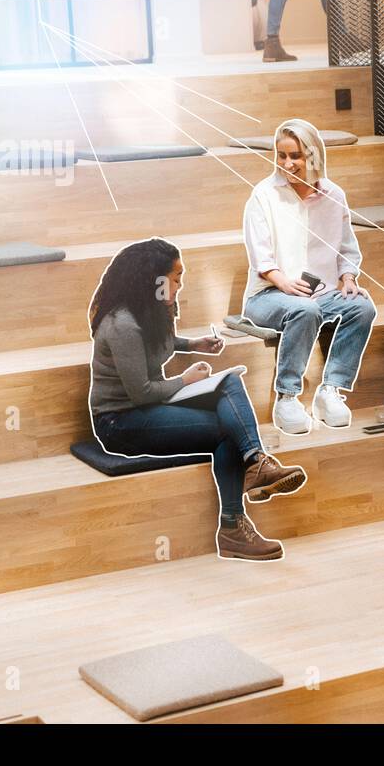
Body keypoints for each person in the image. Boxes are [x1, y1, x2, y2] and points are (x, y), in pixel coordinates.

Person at [88, 237, 307, 562]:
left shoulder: (147, 310)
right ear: (154, 280)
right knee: (226, 430)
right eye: (176, 278)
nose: (180, 285)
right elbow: (142, 392)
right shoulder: (122, 325)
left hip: (147, 408)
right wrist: (185, 380)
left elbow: (157, 343)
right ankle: (234, 524)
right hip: (120, 422)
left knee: (230, 382)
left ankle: (256, 462)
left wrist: (193, 344)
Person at [242, 118, 376, 435]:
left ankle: (331, 390)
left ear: (313, 156)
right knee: (305, 309)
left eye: (296, 156)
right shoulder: (263, 195)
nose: (287, 163)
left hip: (320, 294)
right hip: (268, 296)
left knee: (362, 307)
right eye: (282, 155)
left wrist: (348, 279)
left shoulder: (334, 195)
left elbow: (347, 248)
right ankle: (287, 397)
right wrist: (284, 282)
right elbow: (261, 257)